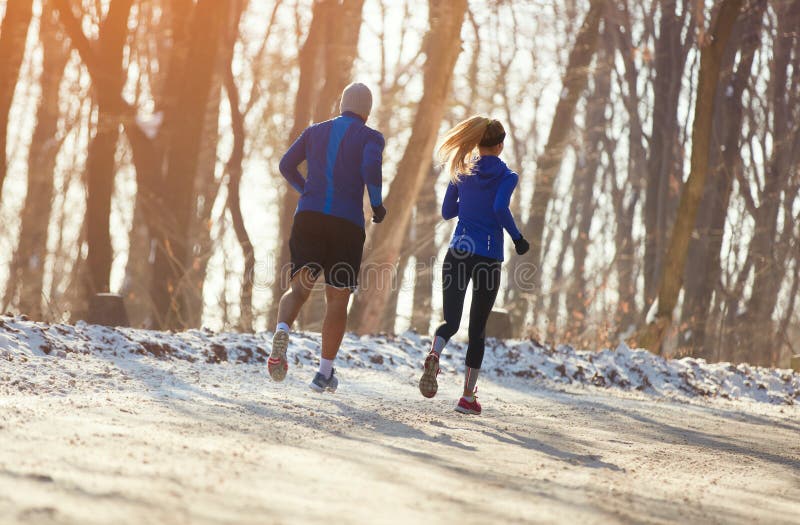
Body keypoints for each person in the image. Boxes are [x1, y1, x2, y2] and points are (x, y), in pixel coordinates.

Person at [269, 82, 386, 393]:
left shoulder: (314, 131)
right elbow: (372, 168)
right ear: (367, 111)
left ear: (341, 104)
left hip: (308, 217)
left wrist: (306, 190)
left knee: (298, 290)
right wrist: (377, 205)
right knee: (337, 300)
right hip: (346, 225)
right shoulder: (371, 137)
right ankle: (324, 373)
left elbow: (285, 165)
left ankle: (282, 330)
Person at [418, 116, 529, 415]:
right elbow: (498, 207)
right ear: (501, 145)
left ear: (478, 143)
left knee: (451, 321)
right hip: (488, 258)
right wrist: (517, 238)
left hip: (458, 252)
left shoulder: (462, 170)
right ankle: (467, 397)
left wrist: (467, 204)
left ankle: (434, 353)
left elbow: (446, 212)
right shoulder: (508, 176)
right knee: (477, 329)